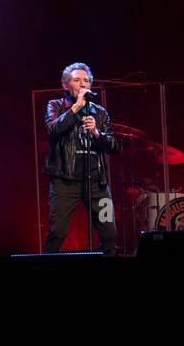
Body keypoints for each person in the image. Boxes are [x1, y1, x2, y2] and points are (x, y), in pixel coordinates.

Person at [42, 62, 119, 256]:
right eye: (77, 80)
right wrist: (75, 109)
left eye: (86, 80)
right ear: (65, 85)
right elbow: (52, 130)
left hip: (97, 182)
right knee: (57, 232)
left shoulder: (100, 112)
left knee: (109, 233)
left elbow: (113, 146)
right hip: (65, 179)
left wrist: (96, 132)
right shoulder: (56, 106)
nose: (82, 84)